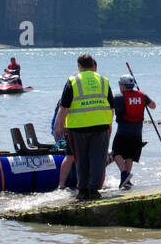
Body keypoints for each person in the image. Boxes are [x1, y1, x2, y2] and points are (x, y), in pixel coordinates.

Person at [55, 55, 115, 199]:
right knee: (98, 158)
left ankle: (82, 190)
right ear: (93, 65)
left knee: (80, 159)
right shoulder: (103, 81)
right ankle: (94, 190)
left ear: (79, 66)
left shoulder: (73, 81)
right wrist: (109, 124)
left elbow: (64, 107)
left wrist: (59, 126)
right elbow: (111, 107)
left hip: (78, 127)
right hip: (101, 126)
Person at [109, 75, 154, 189]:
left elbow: (110, 109)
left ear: (123, 86)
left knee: (116, 153)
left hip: (123, 132)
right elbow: (153, 106)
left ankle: (124, 173)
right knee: (130, 156)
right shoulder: (142, 95)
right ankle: (126, 181)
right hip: (137, 133)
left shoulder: (119, 97)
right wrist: (142, 98)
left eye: (120, 85)